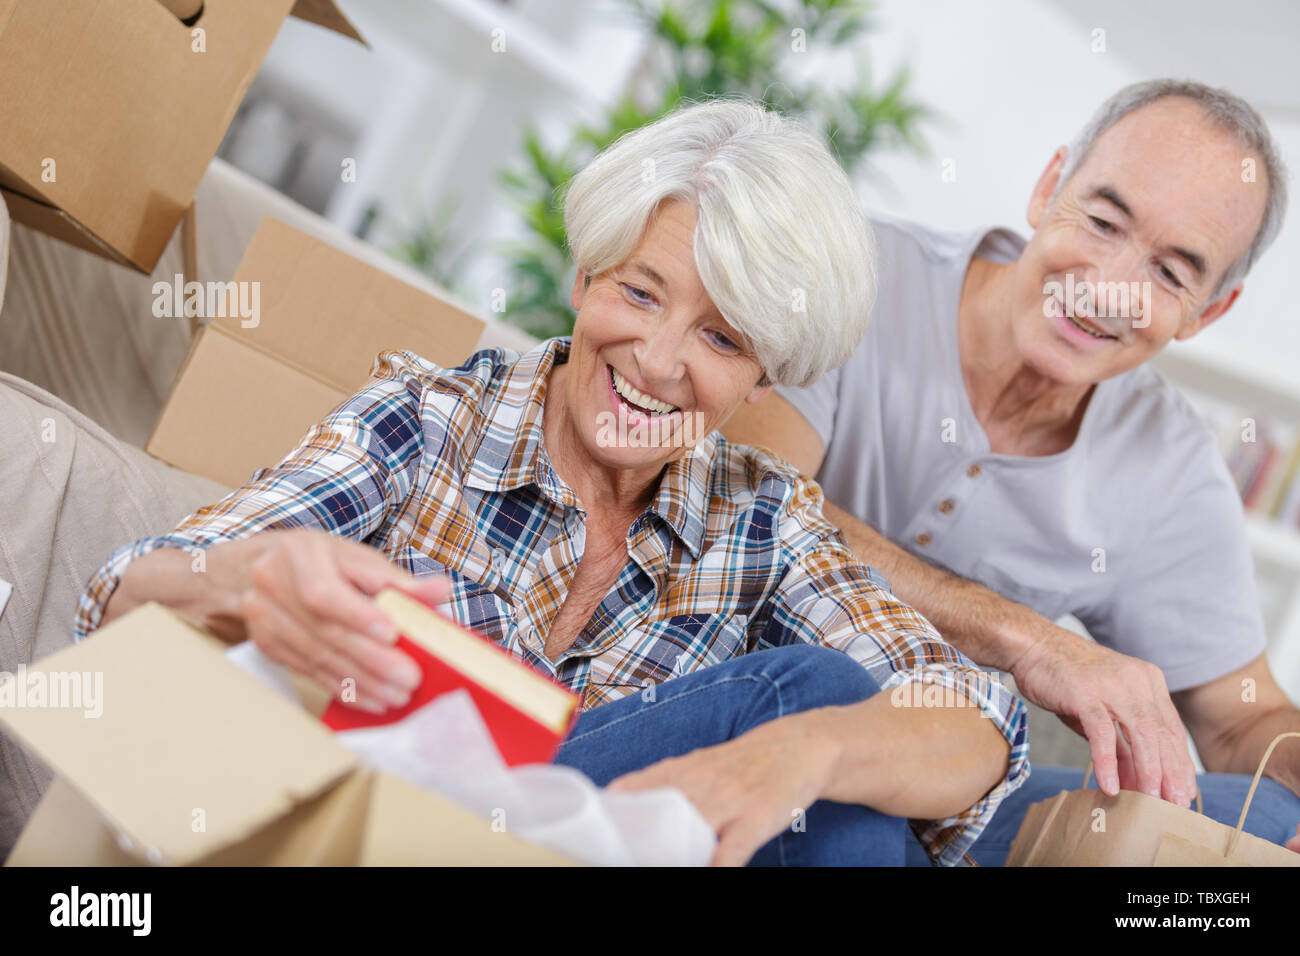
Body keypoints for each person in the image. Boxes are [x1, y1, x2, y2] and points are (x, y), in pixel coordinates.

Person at [75, 97, 1028, 867]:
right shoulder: (429, 417)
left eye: (722, 337)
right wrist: (245, 582)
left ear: (762, 377)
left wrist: (804, 754)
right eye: (640, 293)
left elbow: (981, 723)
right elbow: (125, 596)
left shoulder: (764, 523)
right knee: (813, 689)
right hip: (373, 838)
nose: (657, 362)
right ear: (584, 274)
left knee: (841, 751)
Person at [721, 79, 1300, 864]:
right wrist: (1029, 643)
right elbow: (750, 496)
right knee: (850, 819)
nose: (1108, 288)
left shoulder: (1170, 471)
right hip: (751, 706)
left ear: (1208, 311)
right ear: (1047, 186)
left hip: (953, 789)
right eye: (1101, 221)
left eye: (1171, 273)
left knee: (1261, 820)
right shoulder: (855, 270)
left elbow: (1242, 721)